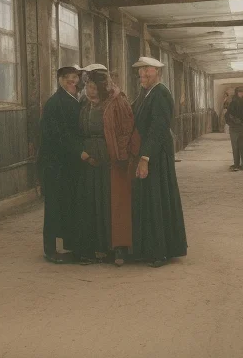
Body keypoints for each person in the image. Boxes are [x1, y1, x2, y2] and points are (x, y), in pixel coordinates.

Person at [74, 70, 139, 266]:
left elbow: (126, 130)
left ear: (103, 88)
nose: (89, 91)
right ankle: (97, 247)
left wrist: (120, 156)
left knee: (112, 202)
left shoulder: (117, 102)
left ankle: (117, 249)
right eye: (87, 87)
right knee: (92, 202)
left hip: (110, 158)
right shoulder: (84, 104)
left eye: (94, 88)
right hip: (87, 158)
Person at [130, 57, 188, 268]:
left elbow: (158, 128)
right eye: (141, 73)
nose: (143, 76)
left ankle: (160, 251)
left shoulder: (161, 93)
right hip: (150, 151)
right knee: (151, 199)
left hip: (156, 155)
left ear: (158, 73)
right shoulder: (146, 93)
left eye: (148, 72)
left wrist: (145, 158)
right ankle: (152, 248)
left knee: (157, 198)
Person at [38, 64, 84, 264]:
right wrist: (79, 151)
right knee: (54, 206)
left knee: (68, 203)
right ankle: (49, 250)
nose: (71, 80)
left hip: (68, 163)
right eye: (67, 77)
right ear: (60, 80)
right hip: (55, 163)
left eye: (74, 77)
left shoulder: (75, 100)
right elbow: (59, 135)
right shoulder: (55, 103)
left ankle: (69, 245)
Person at [226, 85, 243, 171]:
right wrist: (233, 121)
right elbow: (228, 115)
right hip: (234, 128)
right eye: (239, 92)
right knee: (235, 147)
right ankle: (236, 164)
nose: (241, 94)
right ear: (237, 93)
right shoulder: (232, 103)